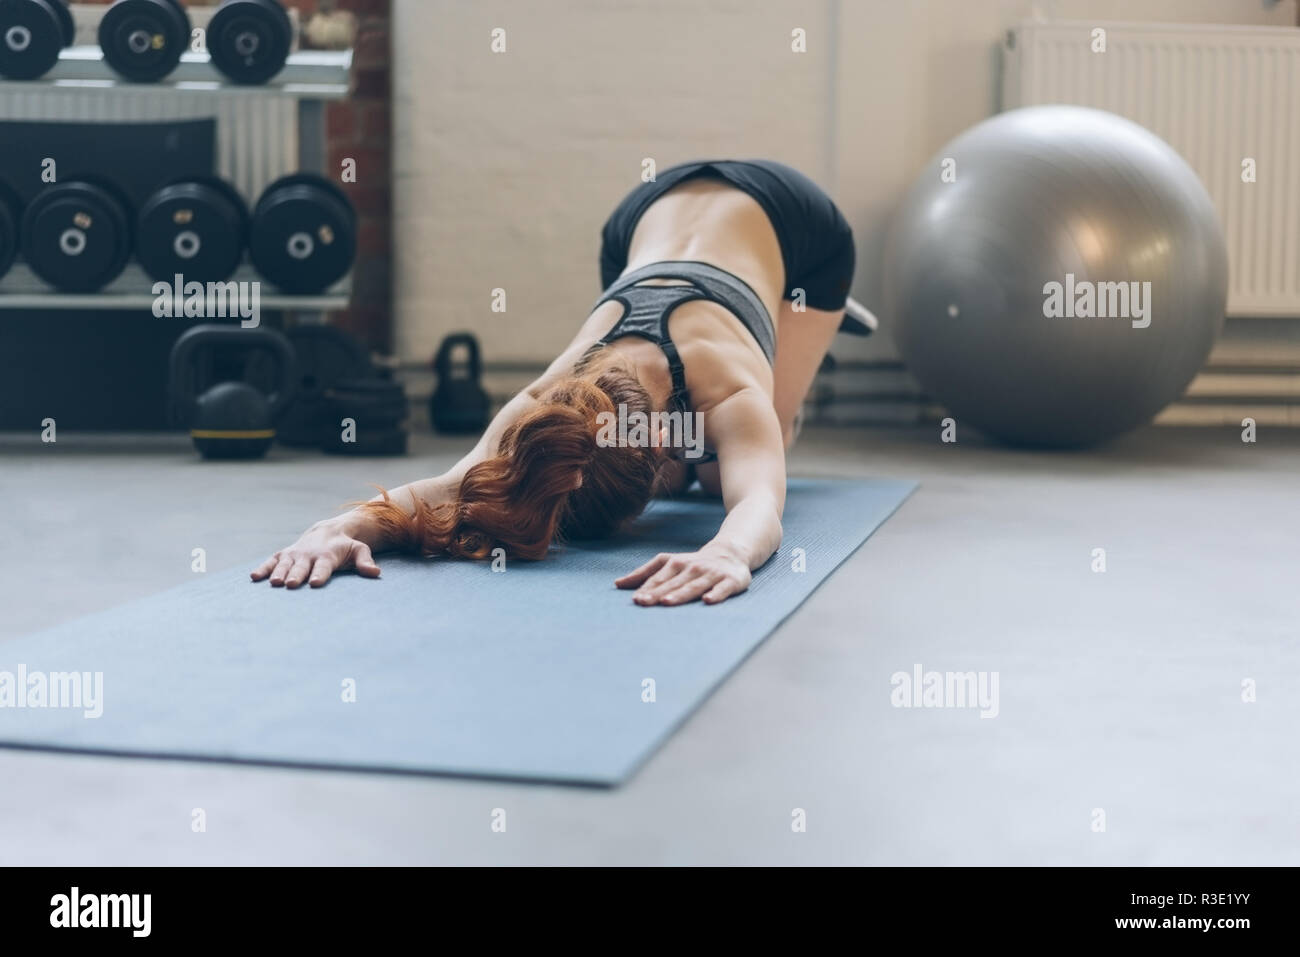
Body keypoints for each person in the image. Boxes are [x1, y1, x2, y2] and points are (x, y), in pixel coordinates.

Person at [252, 159, 868, 606]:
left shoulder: (731, 386)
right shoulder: (550, 398)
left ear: (653, 442)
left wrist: (730, 551)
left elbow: (759, 504)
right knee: (705, 465)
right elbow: (453, 483)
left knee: (737, 460)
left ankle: (810, 319)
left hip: (798, 224)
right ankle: (696, 446)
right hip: (638, 223)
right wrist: (334, 530)